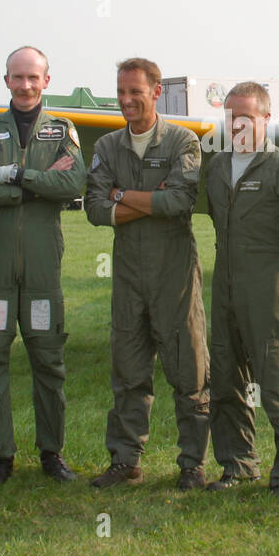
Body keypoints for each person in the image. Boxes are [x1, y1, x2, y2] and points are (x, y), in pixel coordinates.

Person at [0, 47, 87, 486]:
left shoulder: (61, 130)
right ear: (7, 80)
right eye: (18, 77)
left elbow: (73, 183)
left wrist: (15, 176)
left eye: (33, 77)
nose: (26, 84)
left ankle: (51, 453)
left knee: (48, 359)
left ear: (46, 81)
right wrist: (33, 187)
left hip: (41, 272)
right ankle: (1, 456)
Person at [84, 57, 210, 490]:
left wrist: (122, 195)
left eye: (135, 92)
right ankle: (126, 461)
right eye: (121, 92)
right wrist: (142, 200)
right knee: (128, 370)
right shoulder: (106, 147)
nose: (126, 100)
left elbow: (179, 202)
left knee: (189, 372)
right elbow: (96, 209)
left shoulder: (182, 142)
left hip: (173, 277)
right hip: (128, 278)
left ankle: (192, 463)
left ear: (156, 92)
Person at [205, 82, 279, 499]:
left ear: (264, 119)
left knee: (278, 376)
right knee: (225, 374)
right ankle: (238, 464)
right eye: (231, 117)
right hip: (224, 285)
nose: (237, 124)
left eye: (246, 117)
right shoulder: (218, 167)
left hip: (268, 284)